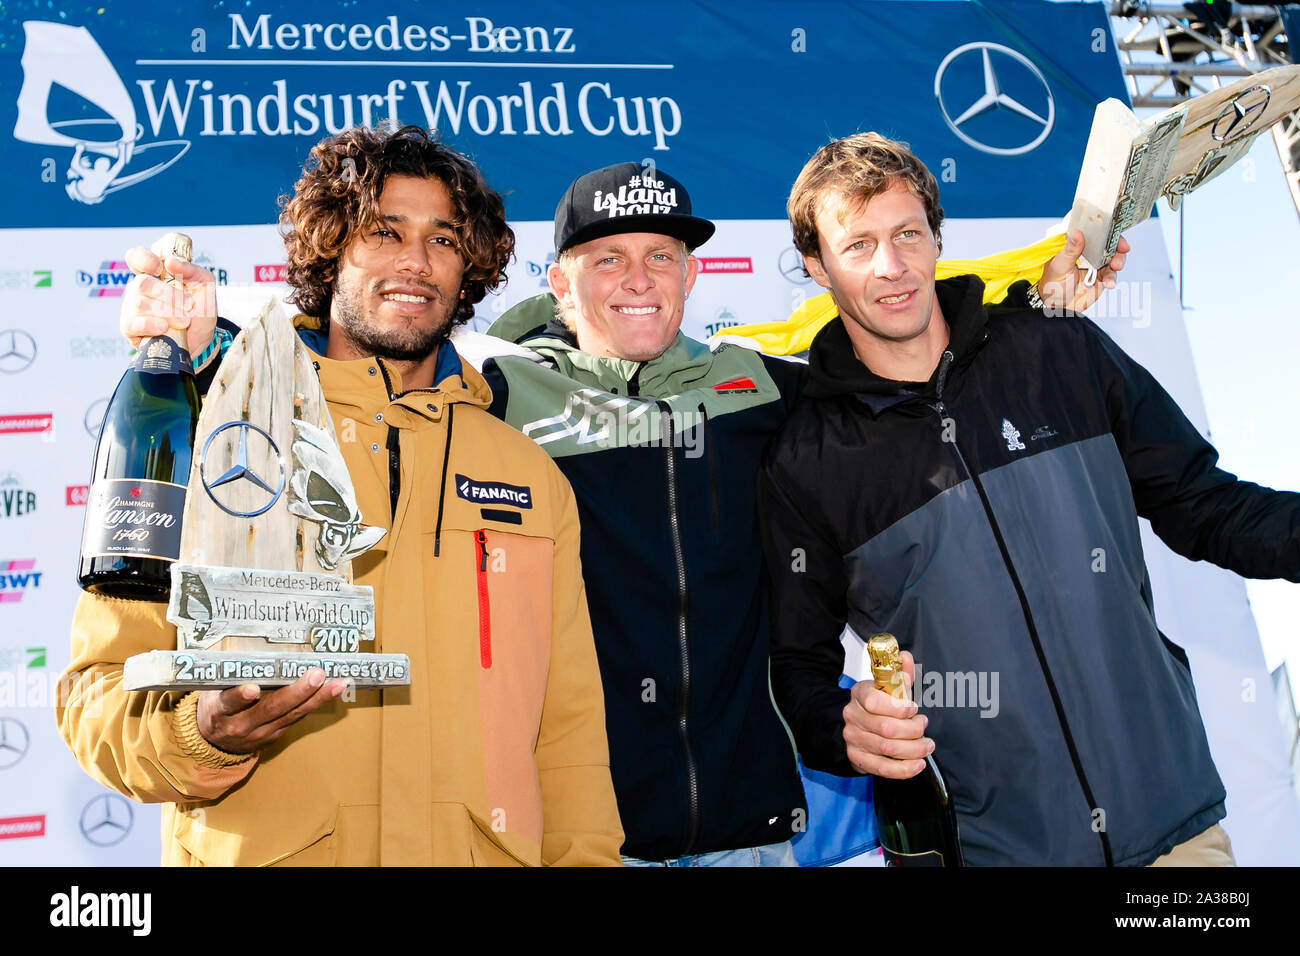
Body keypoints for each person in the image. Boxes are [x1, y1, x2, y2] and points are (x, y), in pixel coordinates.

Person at [473, 161, 1122, 865]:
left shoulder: (761, 385)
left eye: (661, 255)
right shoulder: (500, 396)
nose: (639, 279)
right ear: (561, 281)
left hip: (752, 839)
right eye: (609, 259)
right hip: (581, 839)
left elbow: (886, 318)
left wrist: (1033, 297)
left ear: (690, 276)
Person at [58, 124, 624, 866]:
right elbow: (95, 695)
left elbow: (569, 731)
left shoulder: (529, 475)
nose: (416, 262)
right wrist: (203, 733)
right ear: (331, 249)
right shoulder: (216, 438)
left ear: (471, 269)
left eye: (445, 240)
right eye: (383, 231)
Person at [758, 132, 1300, 865]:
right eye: (857, 246)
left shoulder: (1056, 350)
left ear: (937, 238)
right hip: (990, 851)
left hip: (1174, 831)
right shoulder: (805, 460)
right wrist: (843, 729)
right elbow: (798, 669)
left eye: (907, 234)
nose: (892, 267)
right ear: (818, 266)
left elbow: (1205, 504)